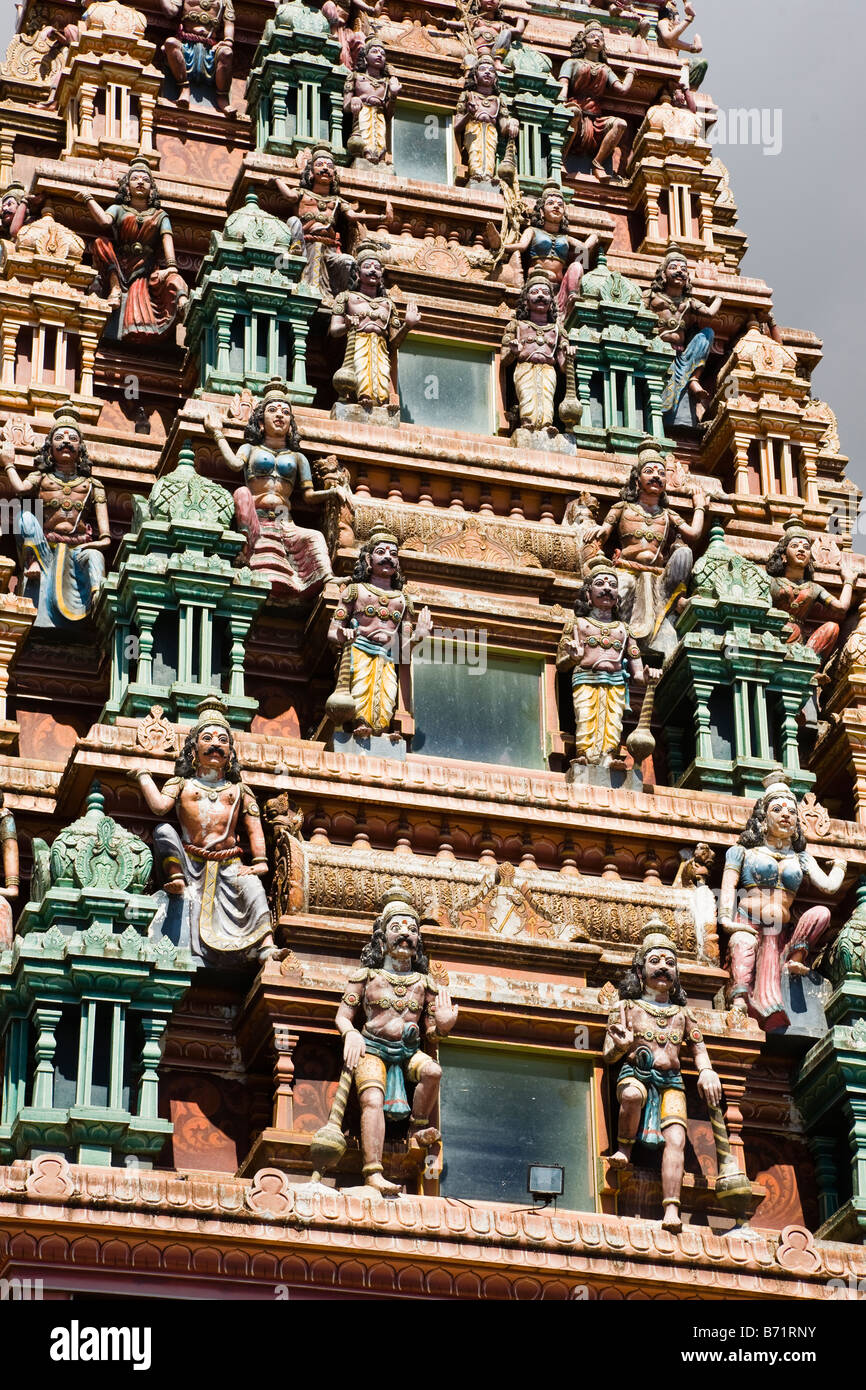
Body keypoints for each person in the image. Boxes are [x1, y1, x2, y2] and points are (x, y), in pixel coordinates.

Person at [133, 697, 278, 964]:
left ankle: (266, 944)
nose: (215, 745)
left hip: (230, 863)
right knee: (164, 830)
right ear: (193, 750)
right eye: (208, 738)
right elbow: (158, 807)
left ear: (231, 754)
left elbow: (255, 829)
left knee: (254, 889)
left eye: (223, 741)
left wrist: (260, 863)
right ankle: (175, 878)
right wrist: (143, 778)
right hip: (190, 862)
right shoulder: (181, 784)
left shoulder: (239, 791)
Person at [336, 885, 458, 1194]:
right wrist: (350, 1033)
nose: (405, 935)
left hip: (407, 1051)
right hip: (372, 1049)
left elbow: (431, 1032)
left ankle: (417, 1125)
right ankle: (372, 1172)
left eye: (412, 930)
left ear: (419, 940)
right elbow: (343, 1015)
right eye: (396, 928)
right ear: (381, 939)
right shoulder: (366, 977)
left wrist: (443, 1026)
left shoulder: (424, 984)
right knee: (372, 1100)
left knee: (433, 1071)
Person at [603, 920, 722, 1232]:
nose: (663, 968)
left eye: (670, 963)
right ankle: (625, 1148)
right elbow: (607, 1054)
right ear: (641, 971)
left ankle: (671, 1208)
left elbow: (698, 1047)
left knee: (677, 1138)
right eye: (655, 961)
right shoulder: (626, 1007)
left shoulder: (683, 1014)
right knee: (630, 1096)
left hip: (671, 1083)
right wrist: (622, 1047)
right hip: (636, 1072)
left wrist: (707, 1070)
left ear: (676, 974)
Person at [719, 771, 846, 1030]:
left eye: (791, 811)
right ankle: (741, 1000)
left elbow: (829, 887)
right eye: (777, 809)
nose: (786, 814)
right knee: (742, 943)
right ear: (763, 819)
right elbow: (729, 886)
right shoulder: (741, 852)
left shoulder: (801, 858)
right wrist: (726, 920)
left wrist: (840, 866)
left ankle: (795, 956)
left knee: (821, 913)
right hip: (750, 924)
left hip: (783, 935)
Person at [205, 379, 350, 601]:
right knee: (242, 493)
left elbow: (308, 496)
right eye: (272, 410)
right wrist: (217, 433)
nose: (279, 415)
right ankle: (245, 552)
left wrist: (332, 492)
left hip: (284, 520)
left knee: (315, 536)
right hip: (255, 516)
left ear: (291, 423)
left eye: (285, 412)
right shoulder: (250, 448)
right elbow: (234, 464)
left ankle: (328, 578)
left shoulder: (298, 458)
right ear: (261, 422)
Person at [584, 439, 705, 663]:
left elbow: (694, 533)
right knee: (614, 593)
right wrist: (597, 530)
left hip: (659, 575)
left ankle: (677, 598)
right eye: (649, 471)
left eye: (661, 473)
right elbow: (606, 530)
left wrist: (699, 505)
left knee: (685, 553)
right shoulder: (622, 508)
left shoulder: (668, 515)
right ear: (637, 479)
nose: (656, 476)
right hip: (627, 571)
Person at [2, 403, 109, 629]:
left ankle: (99, 601)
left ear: (81, 448)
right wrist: (9, 464)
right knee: (24, 516)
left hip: (78, 548)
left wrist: (93, 546)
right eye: (60, 437)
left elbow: (107, 538)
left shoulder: (93, 486)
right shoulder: (42, 478)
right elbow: (20, 490)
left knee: (96, 559)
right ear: (50, 447)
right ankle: (32, 563)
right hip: (45, 545)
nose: (67, 442)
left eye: (73, 438)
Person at [327, 526, 432, 734]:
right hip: (359, 650)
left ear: (398, 563)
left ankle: (381, 729)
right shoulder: (354, 591)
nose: (388, 558)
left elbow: (403, 653)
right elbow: (332, 632)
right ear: (368, 560)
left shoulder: (403, 601)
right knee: (360, 689)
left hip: (387, 656)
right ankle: (360, 724)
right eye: (381, 552)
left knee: (386, 694)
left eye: (393, 554)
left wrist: (417, 638)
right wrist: (345, 633)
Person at [81, 158, 189, 341]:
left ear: (152, 189)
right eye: (135, 178)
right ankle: (115, 288)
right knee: (100, 242)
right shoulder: (119, 208)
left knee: (175, 279)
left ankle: (184, 306)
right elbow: (104, 222)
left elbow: (167, 238)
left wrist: (171, 266)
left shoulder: (160, 215)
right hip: (119, 265)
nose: (140, 182)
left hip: (146, 269)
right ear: (126, 187)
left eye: (145, 180)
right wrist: (88, 199)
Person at [557, 556, 645, 766]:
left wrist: (649, 676)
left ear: (618, 595)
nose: (607, 589)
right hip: (586, 678)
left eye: (613, 585)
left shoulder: (624, 630)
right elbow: (561, 663)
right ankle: (585, 756)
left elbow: (638, 672)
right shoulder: (577, 625)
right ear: (588, 594)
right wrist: (573, 657)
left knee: (613, 722)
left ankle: (608, 757)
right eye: (600, 584)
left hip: (615, 682)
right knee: (586, 717)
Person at [328, 242, 419, 407]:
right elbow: (334, 330)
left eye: (377, 267)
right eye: (367, 266)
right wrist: (347, 325)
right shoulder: (346, 297)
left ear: (381, 274)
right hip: (358, 343)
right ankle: (360, 399)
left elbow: (394, 342)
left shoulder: (388, 304)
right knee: (361, 373)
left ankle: (383, 400)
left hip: (381, 347)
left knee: (382, 375)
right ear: (357, 272)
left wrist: (407, 325)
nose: (373, 270)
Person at [765, 516, 856, 660]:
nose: (801, 549)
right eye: (795, 546)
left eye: (806, 548)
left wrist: (849, 581)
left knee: (832, 627)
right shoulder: (771, 582)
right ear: (783, 556)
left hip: (801, 645)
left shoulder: (814, 588)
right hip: (772, 637)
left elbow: (842, 607)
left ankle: (812, 664)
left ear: (809, 558)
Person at [646, 248, 721, 423]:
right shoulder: (651, 297)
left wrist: (719, 298)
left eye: (684, 269)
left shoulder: (689, 302)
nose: (679, 270)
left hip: (682, 354)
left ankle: (694, 378)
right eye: (673, 267)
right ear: (663, 274)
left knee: (707, 334)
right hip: (658, 351)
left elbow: (709, 313)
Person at [503, 182, 598, 318]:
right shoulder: (533, 231)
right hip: (537, 282)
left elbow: (584, 248)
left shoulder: (565, 238)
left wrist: (594, 236)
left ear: (564, 213)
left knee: (577, 265)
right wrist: (503, 246)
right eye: (551, 203)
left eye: (560, 205)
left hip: (559, 287)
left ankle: (571, 298)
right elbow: (522, 246)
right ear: (541, 211)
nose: (556, 206)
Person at [558, 23, 635, 182]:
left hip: (596, 118)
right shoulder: (571, 63)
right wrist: (560, 102)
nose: (596, 40)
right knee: (574, 112)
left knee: (620, 124)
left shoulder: (605, 69)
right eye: (592, 37)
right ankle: (561, 159)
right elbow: (563, 85)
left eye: (600, 38)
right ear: (583, 42)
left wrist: (631, 73)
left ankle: (597, 164)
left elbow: (621, 89)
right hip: (575, 110)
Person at [501, 273, 572, 433]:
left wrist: (569, 355)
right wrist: (513, 352)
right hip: (524, 366)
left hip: (548, 369)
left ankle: (546, 425)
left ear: (552, 302)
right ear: (526, 300)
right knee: (527, 394)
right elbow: (504, 359)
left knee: (546, 396)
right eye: (535, 292)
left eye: (546, 293)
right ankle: (527, 423)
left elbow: (563, 366)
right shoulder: (516, 326)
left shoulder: (558, 330)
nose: (541, 296)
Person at [158, 0, 235, 112]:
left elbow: (229, 23)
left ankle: (222, 97)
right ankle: (184, 88)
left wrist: (228, 40)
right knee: (170, 43)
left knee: (227, 53)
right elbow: (171, 12)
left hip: (211, 45)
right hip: (186, 41)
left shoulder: (225, 1)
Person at [454, 55, 518, 187]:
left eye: (491, 70)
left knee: (489, 154)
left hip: (491, 131)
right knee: (475, 153)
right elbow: (456, 126)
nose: (487, 72)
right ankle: (475, 176)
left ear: (495, 79)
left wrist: (512, 123)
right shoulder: (468, 95)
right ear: (475, 77)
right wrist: (469, 114)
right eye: (483, 69)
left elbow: (503, 126)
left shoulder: (499, 100)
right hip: (472, 128)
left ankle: (487, 177)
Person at [344, 39, 400, 166]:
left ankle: (380, 157)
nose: (379, 55)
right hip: (361, 115)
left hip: (379, 116)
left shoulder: (386, 82)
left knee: (380, 142)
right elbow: (346, 107)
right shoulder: (355, 77)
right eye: (374, 51)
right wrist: (355, 99)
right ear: (365, 57)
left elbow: (389, 113)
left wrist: (394, 95)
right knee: (364, 143)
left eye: (383, 53)